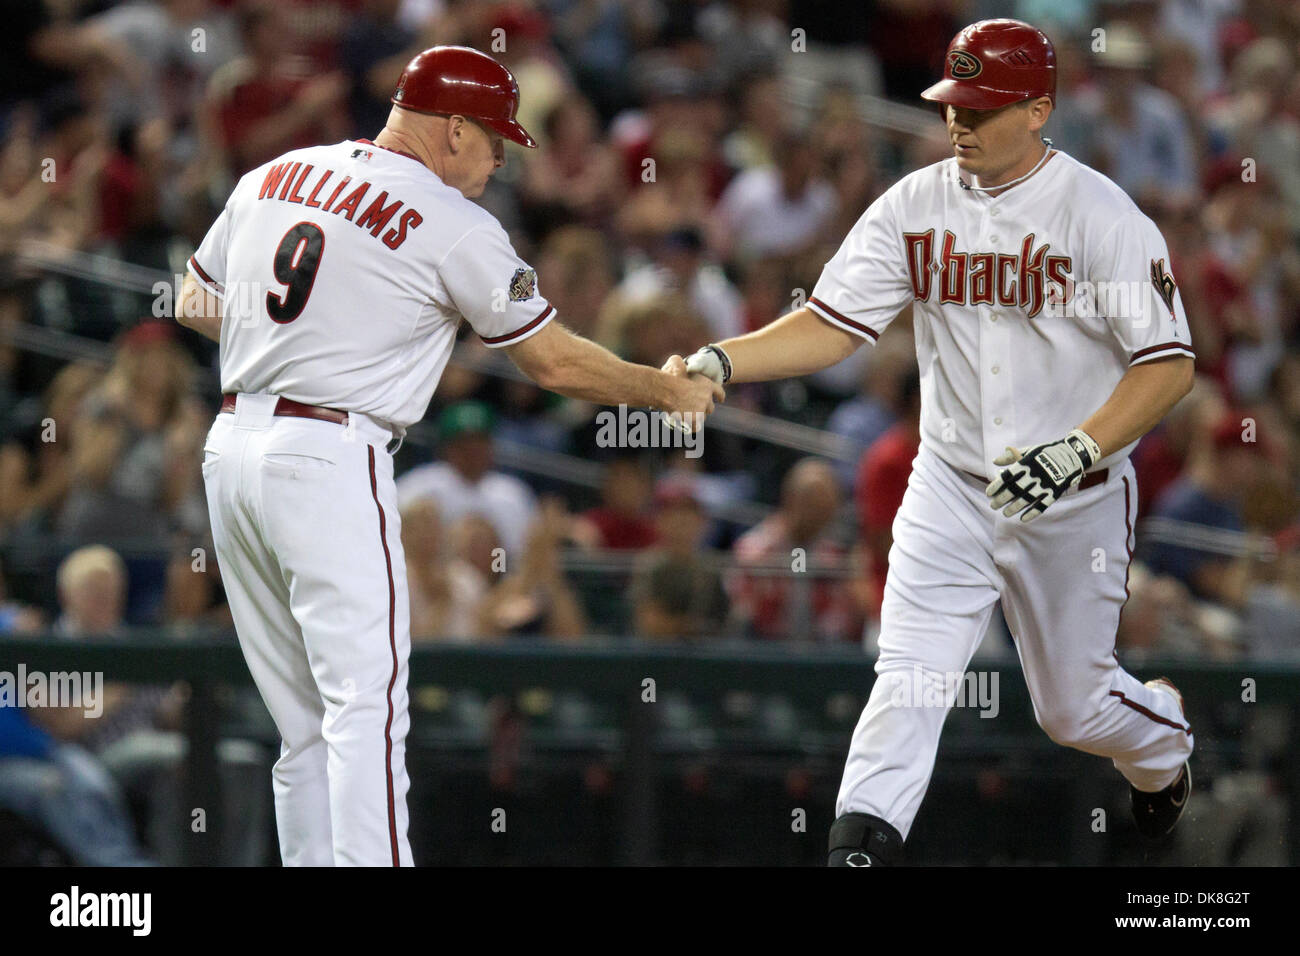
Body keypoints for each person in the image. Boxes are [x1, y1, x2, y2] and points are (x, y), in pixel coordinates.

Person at [176, 45, 719, 867]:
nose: (502, 158)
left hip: (234, 448)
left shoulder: (274, 173)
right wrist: (664, 391)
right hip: (329, 450)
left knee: (304, 723)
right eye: (497, 139)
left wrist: (300, 342)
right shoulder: (451, 218)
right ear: (454, 128)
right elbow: (554, 362)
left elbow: (194, 300)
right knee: (367, 708)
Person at [671, 19, 1196, 865]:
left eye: (983, 108)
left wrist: (1075, 449)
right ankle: (858, 852)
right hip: (951, 482)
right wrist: (726, 358)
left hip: (1075, 500)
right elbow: (832, 325)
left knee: (1071, 711)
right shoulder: (917, 201)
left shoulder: (1101, 213)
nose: (961, 122)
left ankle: (1163, 739)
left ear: (1038, 109)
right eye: (955, 103)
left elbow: (1168, 366)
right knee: (907, 676)